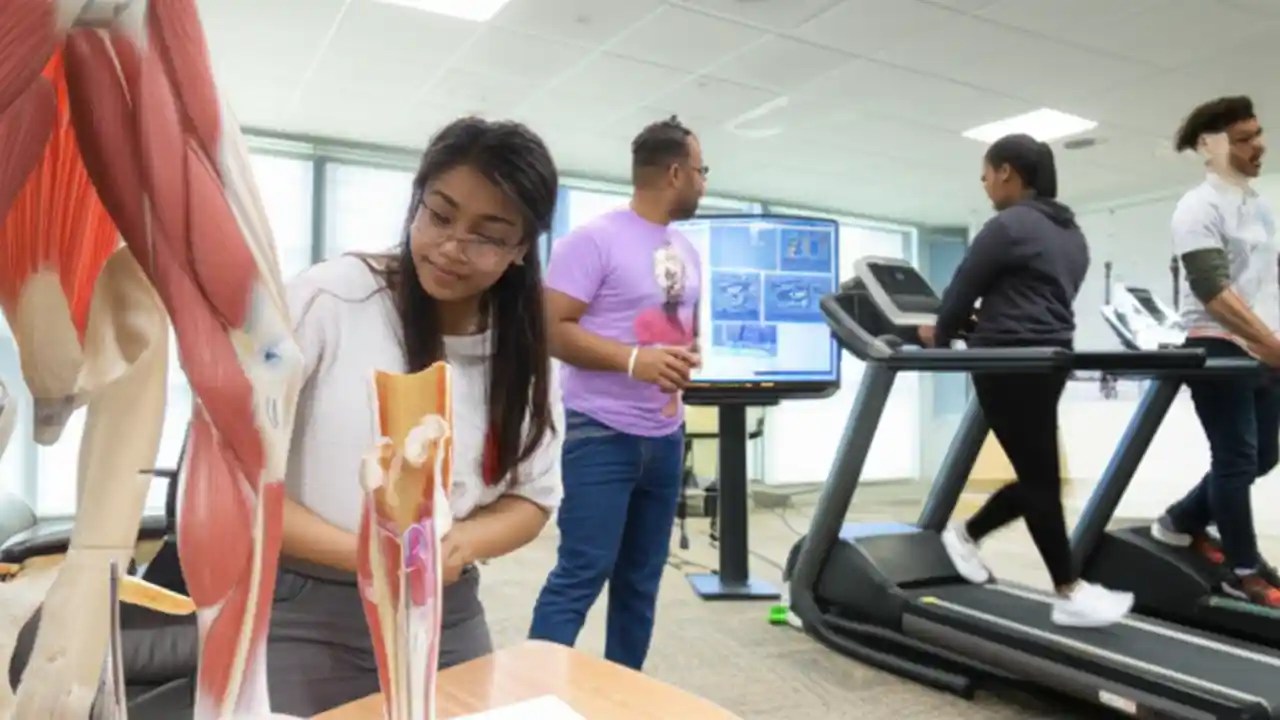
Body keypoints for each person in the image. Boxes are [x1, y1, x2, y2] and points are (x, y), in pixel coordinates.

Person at [267, 117, 564, 715]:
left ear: (519, 250)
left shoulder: (523, 354)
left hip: (445, 607)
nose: (451, 247)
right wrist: (370, 555)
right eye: (440, 214)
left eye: (488, 234)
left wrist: (462, 545)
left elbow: (533, 500)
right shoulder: (330, 300)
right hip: (303, 607)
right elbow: (240, 485)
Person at [925, 133, 1135, 628]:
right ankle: (1059, 583)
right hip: (1047, 361)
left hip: (1008, 366)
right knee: (1042, 478)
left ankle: (1042, 576)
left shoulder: (1008, 226)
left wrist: (940, 336)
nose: (984, 185)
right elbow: (1034, 301)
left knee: (1041, 479)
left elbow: (961, 291)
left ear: (1007, 173)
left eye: (985, 174)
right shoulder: (1073, 233)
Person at [528, 116, 706, 670]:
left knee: (640, 582)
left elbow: (676, 327)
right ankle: (532, 697)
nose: (704, 181)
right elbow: (551, 328)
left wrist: (684, 357)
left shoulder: (688, 250)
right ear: (675, 172)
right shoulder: (593, 240)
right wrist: (635, 360)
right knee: (582, 574)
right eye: (701, 171)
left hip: (666, 437)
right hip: (600, 434)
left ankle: (622, 696)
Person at [1147, 95, 1280, 608]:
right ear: (1210, 146)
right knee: (1236, 458)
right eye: (1244, 138)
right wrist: (1266, 343)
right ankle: (1242, 569)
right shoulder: (1196, 208)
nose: (1258, 145)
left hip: (1260, 347)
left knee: (1264, 455)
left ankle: (1179, 520)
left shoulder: (1259, 207)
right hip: (1217, 344)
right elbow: (1211, 289)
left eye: (1257, 134)